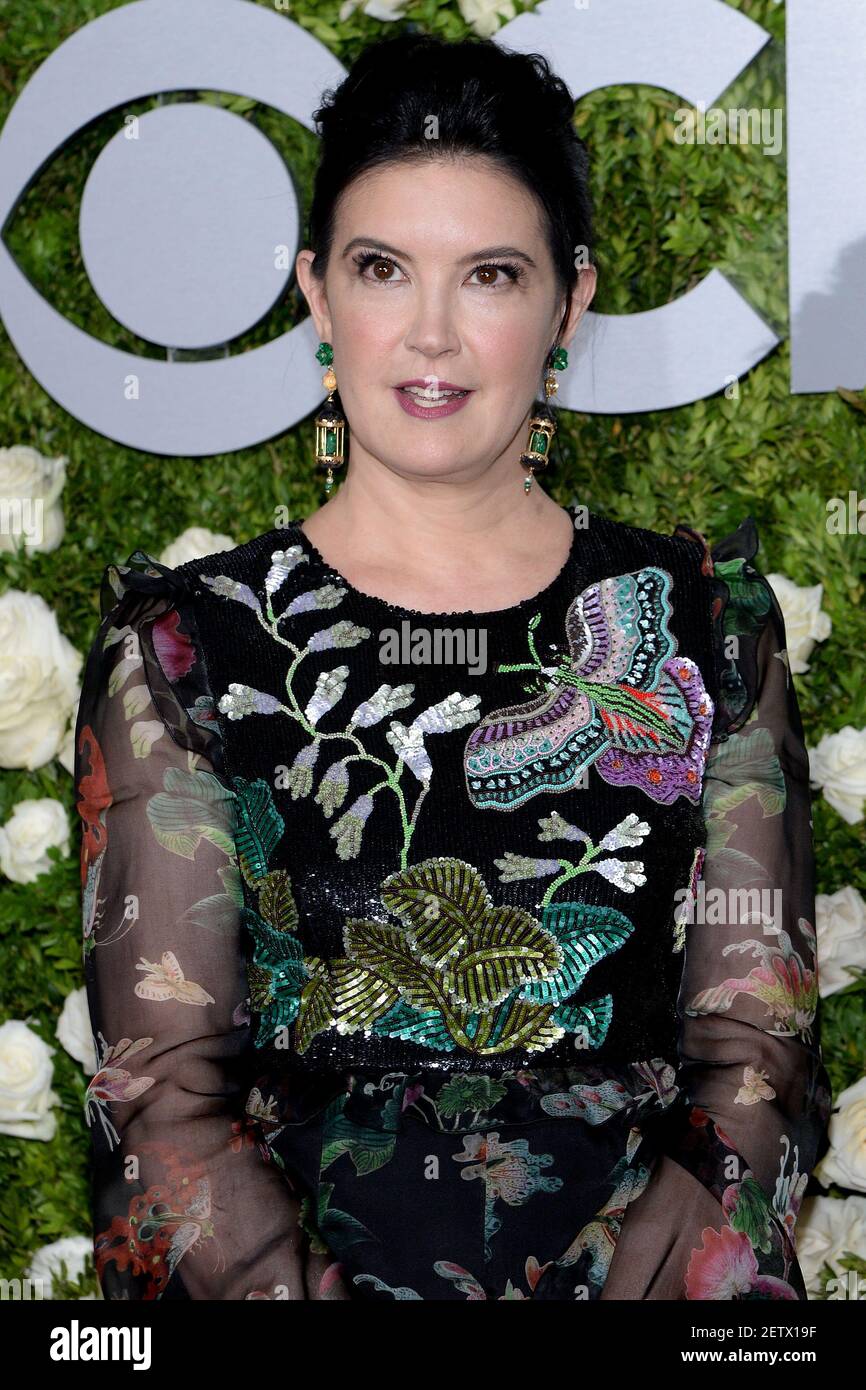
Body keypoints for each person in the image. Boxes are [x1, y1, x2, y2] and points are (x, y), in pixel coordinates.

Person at [75, 32, 832, 1301]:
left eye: (488, 273)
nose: (429, 333)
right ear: (318, 293)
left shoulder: (703, 622)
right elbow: (164, 1102)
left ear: (567, 301)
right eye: (383, 269)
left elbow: (752, 1054)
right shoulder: (185, 648)